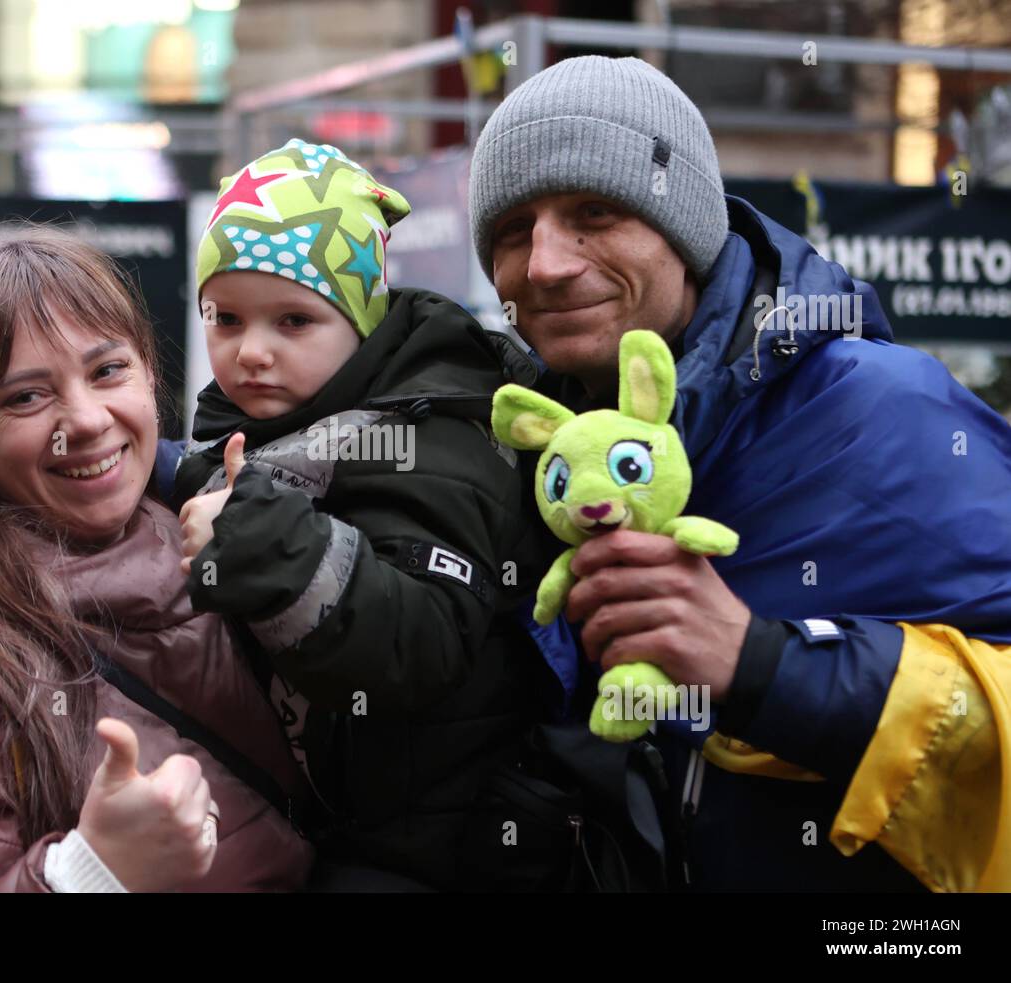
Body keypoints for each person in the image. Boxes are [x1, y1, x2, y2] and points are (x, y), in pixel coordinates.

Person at [467, 55, 1011, 892]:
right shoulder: (527, 455)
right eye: (512, 230)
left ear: (684, 230)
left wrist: (765, 663)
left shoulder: (885, 413)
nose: (544, 263)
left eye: (595, 211)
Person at [0, 224, 313, 892]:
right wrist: (90, 873)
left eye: (107, 370)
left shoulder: (216, 558)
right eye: (26, 396)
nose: (89, 418)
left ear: (151, 372)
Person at [172, 140, 548, 890]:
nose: (251, 351)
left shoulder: (432, 436)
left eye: (293, 320)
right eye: (227, 318)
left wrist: (256, 540)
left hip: (430, 853)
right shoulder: (268, 426)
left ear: (364, 320)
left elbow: (422, 639)